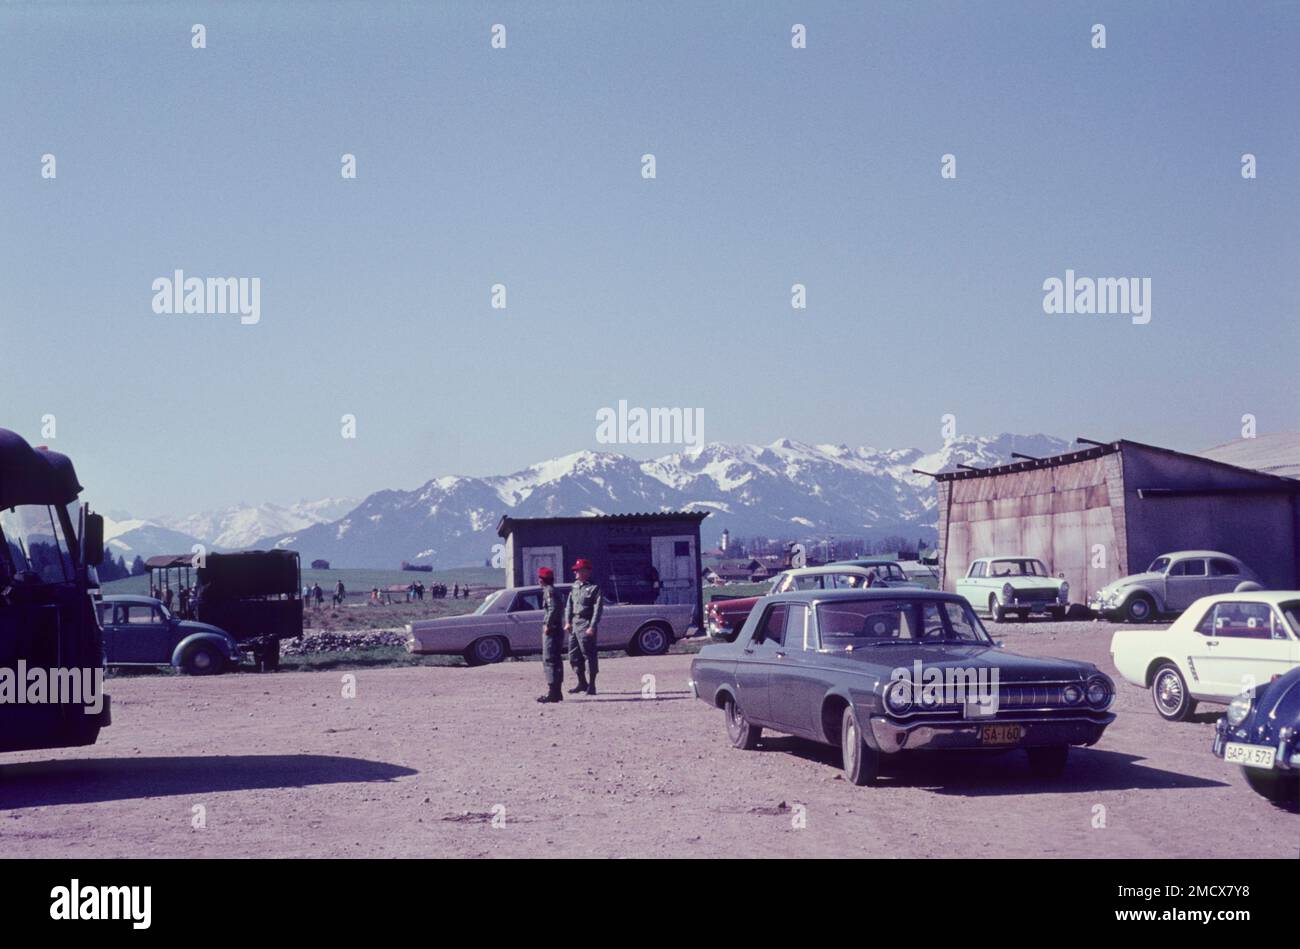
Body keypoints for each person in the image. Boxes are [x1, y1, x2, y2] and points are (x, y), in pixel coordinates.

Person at [564, 558, 603, 695]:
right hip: (574, 624)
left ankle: (592, 685)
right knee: (573, 655)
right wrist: (568, 621)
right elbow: (569, 605)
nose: (575, 573)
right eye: (575, 570)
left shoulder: (594, 588)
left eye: (578, 570)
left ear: (586, 571)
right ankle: (582, 682)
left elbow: (597, 609)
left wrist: (592, 626)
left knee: (589, 655)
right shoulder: (574, 586)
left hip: (586, 623)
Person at [535, 567, 565, 703]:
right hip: (557, 628)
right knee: (556, 659)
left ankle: (553, 692)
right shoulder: (554, 591)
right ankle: (557, 691)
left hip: (552, 629)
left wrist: (547, 624)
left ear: (542, 580)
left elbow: (552, 609)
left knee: (549, 660)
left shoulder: (549, 592)